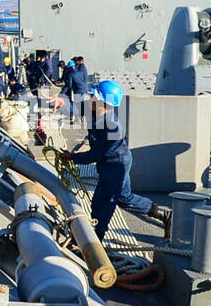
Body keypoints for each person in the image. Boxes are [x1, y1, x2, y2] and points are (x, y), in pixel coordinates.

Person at [61, 80, 171, 239]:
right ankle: (165, 216)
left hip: (115, 164)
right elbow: (74, 108)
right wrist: (61, 103)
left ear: (102, 102)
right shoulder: (95, 110)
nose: (90, 97)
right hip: (111, 160)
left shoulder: (112, 127)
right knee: (125, 198)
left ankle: (95, 242)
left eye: (93, 95)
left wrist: (72, 157)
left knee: (101, 203)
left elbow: (94, 155)